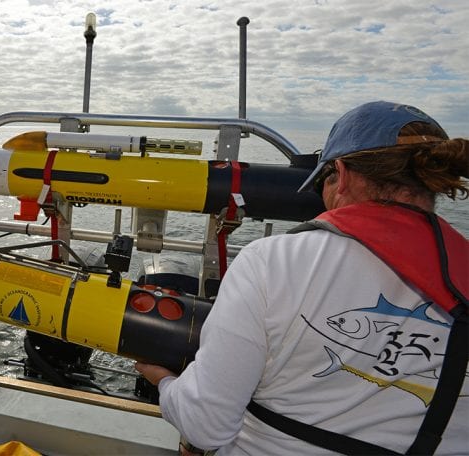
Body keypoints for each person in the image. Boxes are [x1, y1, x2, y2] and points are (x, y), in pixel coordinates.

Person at [135, 101, 468, 454]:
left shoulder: (272, 263)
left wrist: (166, 384)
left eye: (324, 180)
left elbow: (205, 427)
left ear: (342, 174)